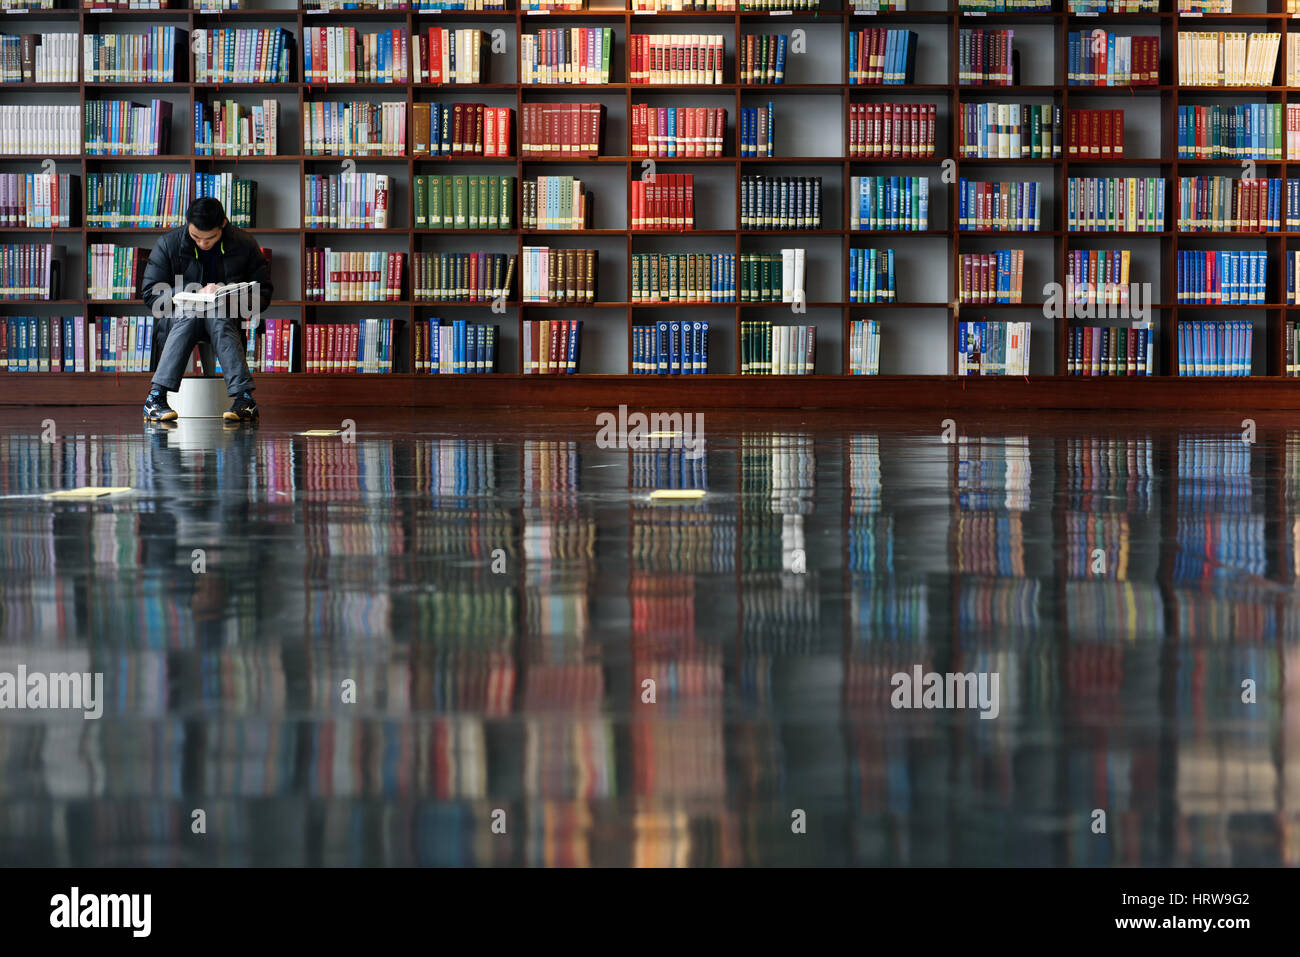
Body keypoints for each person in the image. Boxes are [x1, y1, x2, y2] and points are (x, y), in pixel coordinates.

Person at [139, 197, 272, 422]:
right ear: (187, 225)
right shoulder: (169, 243)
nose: (202, 243)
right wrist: (190, 293)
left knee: (216, 312)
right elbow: (151, 294)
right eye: (196, 237)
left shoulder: (244, 244)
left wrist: (227, 293)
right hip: (179, 319)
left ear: (223, 225)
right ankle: (157, 398)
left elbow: (262, 294)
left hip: (225, 318)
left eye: (210, 238)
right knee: (192, 312)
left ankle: (244, 399)